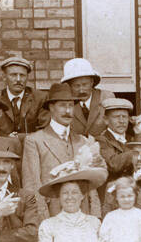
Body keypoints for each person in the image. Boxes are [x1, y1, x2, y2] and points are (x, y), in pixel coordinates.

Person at [23, 82, 109, 217]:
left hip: (83, 216)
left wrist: (95, 216)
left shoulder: (83, 141)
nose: (68, 111)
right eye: (62, 106)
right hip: (53, 215)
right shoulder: (35, 141)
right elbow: (32, 186)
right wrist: (42, 219)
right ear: (51, 108)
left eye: (70, 106)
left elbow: (93, 185)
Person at [34, 162, 107, 242]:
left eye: (74, 192)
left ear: (82, 195)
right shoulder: (48, 225)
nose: (69, 197)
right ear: (59, 196)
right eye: (65, 193)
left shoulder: (95, 223)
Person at [0, 53, 44, 138]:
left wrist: (19, 137)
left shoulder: (40, 98)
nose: (18, 79)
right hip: (3, 148)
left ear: (27, 77)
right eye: (13, 75)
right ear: (4, 77)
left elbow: (44, 131)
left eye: (22, 75)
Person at [60, 57, 110, 139]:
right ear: (69, 86)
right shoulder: (65, 103)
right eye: (76, 86)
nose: (81, 90)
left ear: (92, 82)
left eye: (85, 84)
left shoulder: (106, 98)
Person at [97, 97, 138, 191]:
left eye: (124, 116)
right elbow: (113, 164)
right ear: (106, 120)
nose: (121, 121)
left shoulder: (132, 139)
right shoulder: (101, 140)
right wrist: (137, 151)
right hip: (112, 192)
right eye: (116, 117)